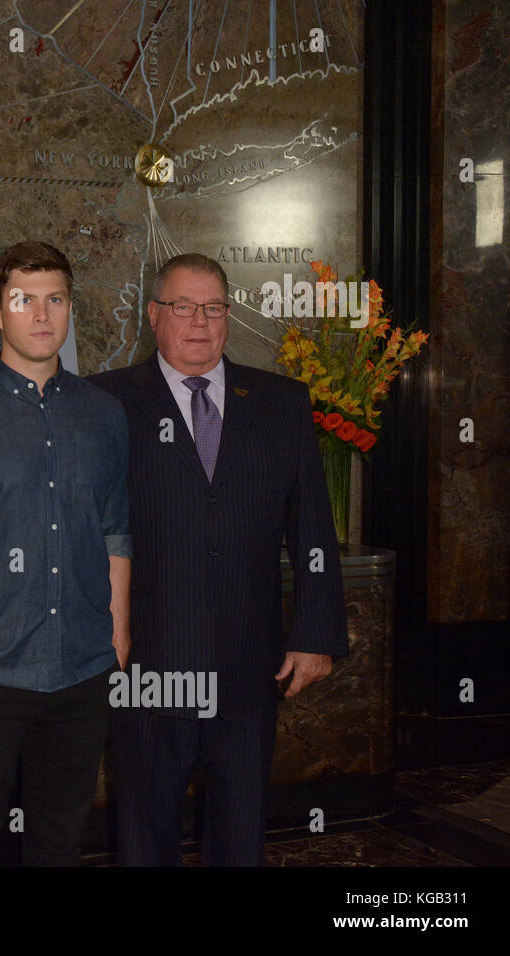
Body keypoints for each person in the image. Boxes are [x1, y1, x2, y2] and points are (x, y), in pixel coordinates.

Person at [90, 252, 348, 866]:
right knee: (143, 828)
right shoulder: (106, 401)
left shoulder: (283, 401)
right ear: (154, 316)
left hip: (247, 662)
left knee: (240, 829)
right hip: (145, 662)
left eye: (213, 308)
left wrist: (316, 635)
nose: (199, 322)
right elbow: (85, 529)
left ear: (227, 316)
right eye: (183, 307)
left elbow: (313, 528)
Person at [0, 241, 130, 866]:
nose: (42, 314)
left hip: (81, 665)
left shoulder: (105, 415)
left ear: (70, 309)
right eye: (24, 300)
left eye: (56, 299)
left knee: (59, 840)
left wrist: (119, 640)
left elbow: (116, 530)